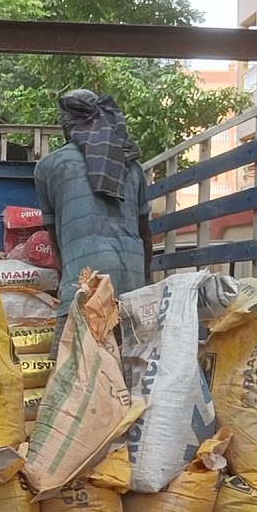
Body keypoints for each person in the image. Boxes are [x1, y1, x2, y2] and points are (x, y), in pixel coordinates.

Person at [35, 89, 152, 358]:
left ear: (66, 124)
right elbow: (145, 234)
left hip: (83, 287)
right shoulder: (132, 165)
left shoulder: (49, 167)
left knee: (71, 372)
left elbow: (56, 241)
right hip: (132, 287)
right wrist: (145, 283)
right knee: (130, 370)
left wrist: (66, 288)